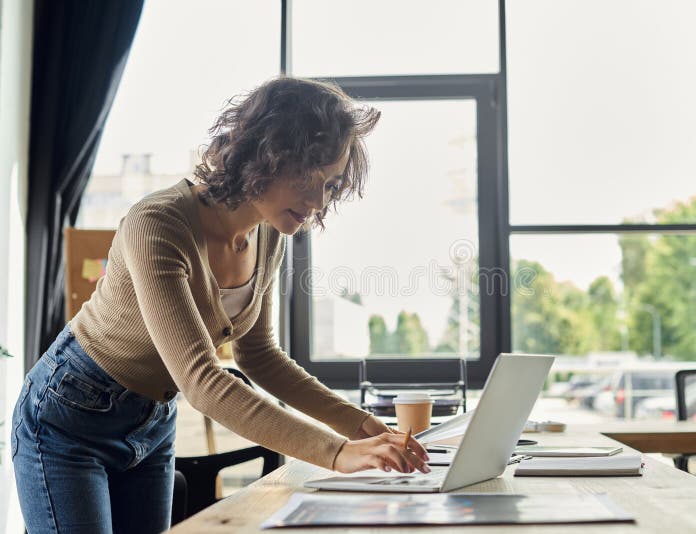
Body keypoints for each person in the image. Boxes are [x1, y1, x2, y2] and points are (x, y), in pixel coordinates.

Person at [11, 77, 430, 534]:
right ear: (265, 155)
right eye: (306, 178)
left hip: (153, 423)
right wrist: (335, 453)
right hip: (69, 416)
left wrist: (364, 427)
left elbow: (260, 356)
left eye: (329, 185)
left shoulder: (270, 233)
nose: (316, 202)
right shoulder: (157, 224)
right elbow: (202, 380)